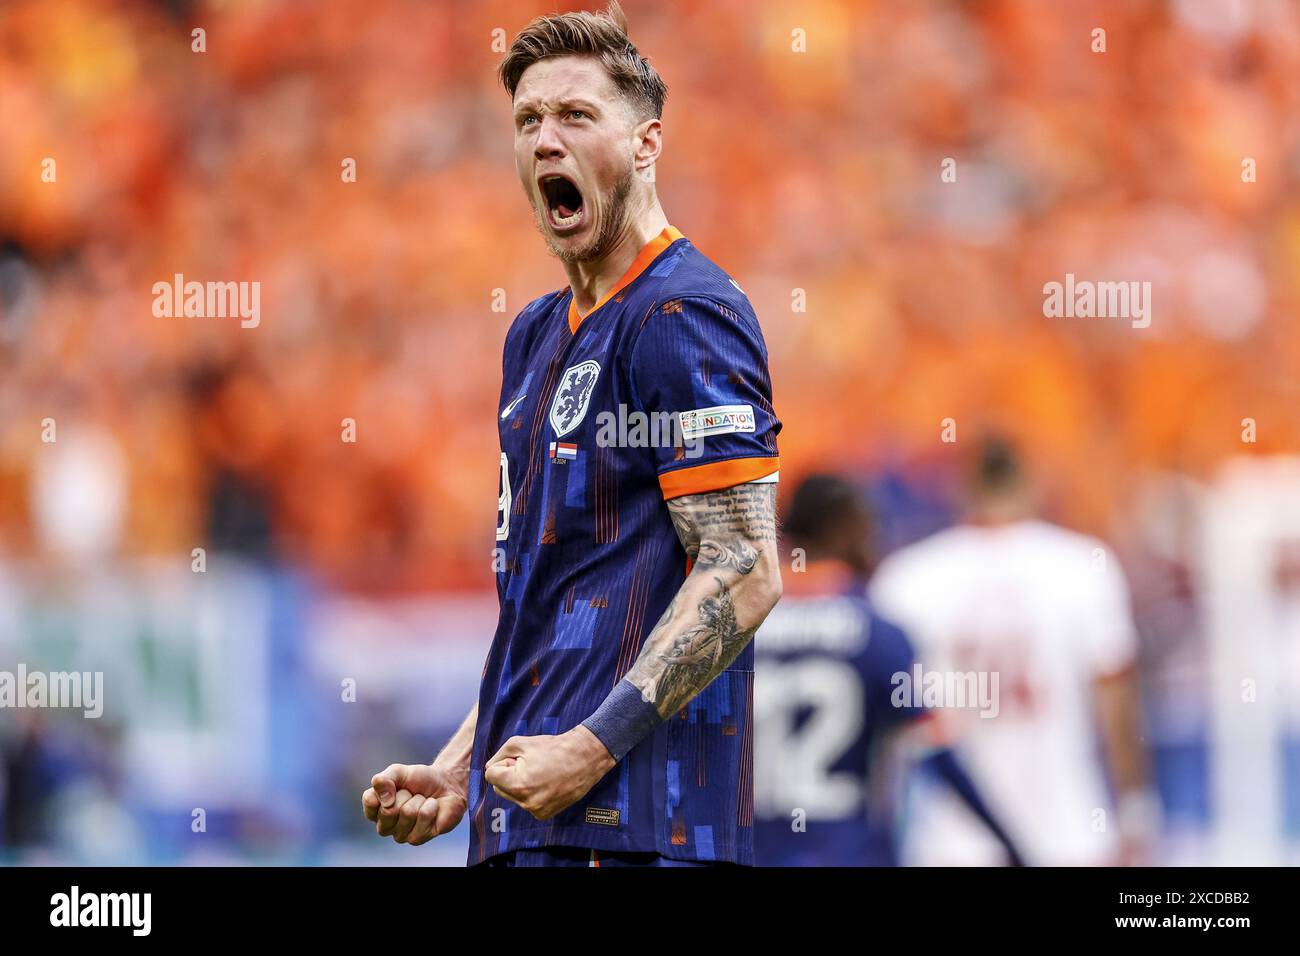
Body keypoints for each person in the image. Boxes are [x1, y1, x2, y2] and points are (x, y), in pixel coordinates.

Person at [361, 1, 783, 867]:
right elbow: (552, 604)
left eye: (576, 116)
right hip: (526, 831)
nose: (545, 140)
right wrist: (463, 769)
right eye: (527, 121)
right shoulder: (533, 336)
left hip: (642, 836)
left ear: (646, 143)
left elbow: (744, 569)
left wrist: (588, 749)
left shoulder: (684, 312)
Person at [870, 437, 1155, 865]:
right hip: (1067, 830)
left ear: (962, 486)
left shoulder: (910, 576)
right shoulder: (1081, 565)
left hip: (953, 840)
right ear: (1029, 482)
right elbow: (1116, 703)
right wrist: (1135, 810)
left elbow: (887, 720)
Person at [754, 474, 1022, 866]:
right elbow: (936, 754)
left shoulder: (741, 630)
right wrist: (1012, 844)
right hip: (849, 853)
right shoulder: (876, 634)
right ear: (848, 533)